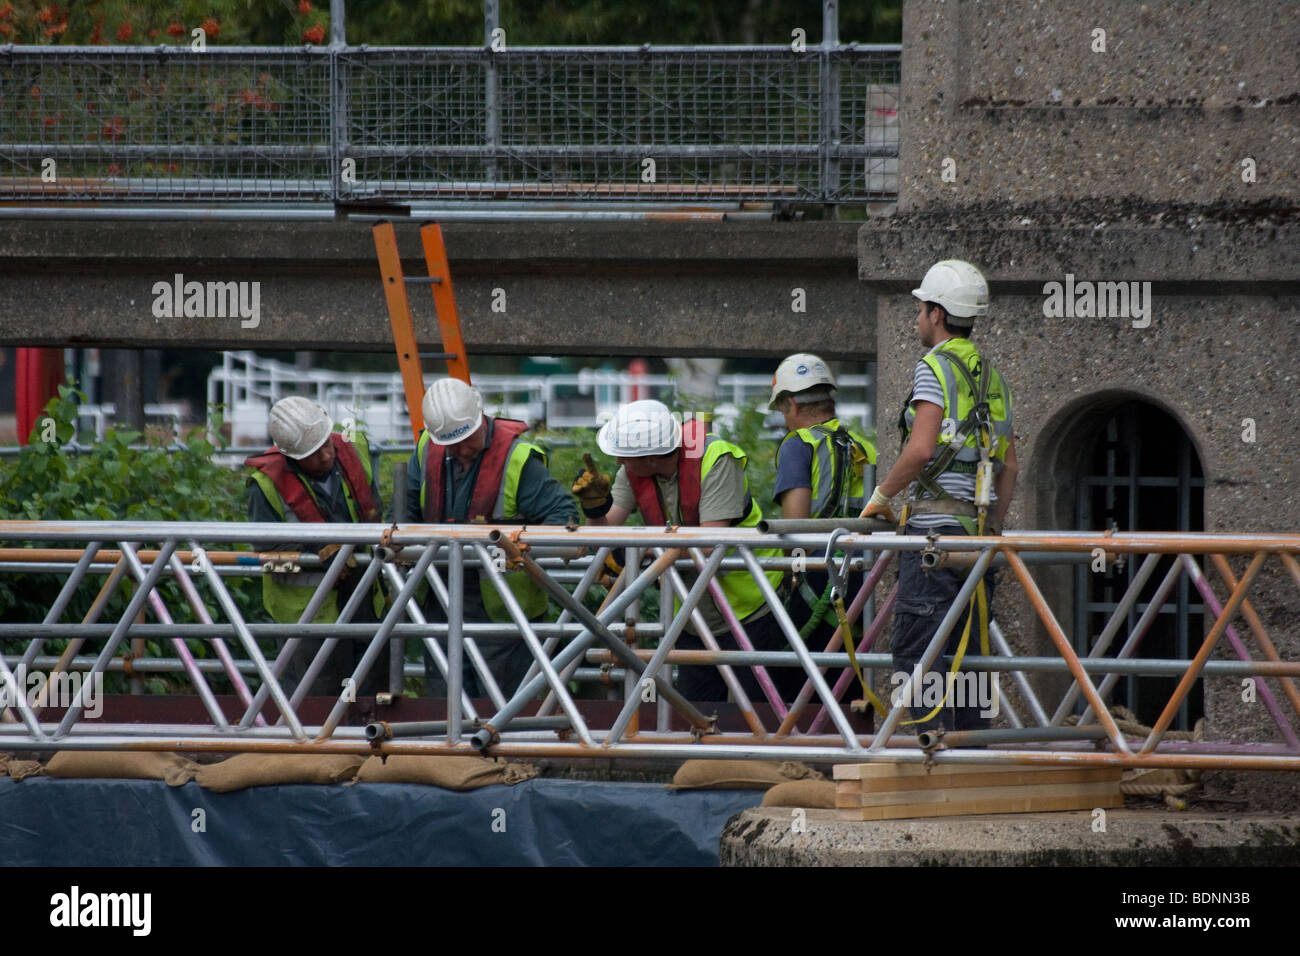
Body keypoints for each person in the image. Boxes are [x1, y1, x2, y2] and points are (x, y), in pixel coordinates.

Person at [863, 259, 1017, 734]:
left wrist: (882, 496)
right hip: (975, 538)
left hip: (932, 535)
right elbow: (1009, 466)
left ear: (936, 312)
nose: (916, 319)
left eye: (919, 309)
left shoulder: (933, 367)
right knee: (968, 653)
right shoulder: (993, 376)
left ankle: (927, 750)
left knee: (919, 648)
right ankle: (969, 756)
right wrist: (990, 528)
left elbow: (922, 448)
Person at [572, 399, 799, 703]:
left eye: (625, 457)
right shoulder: (633, 470)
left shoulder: (716, 459)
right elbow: (602, 534)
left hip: (752, 607)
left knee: (761, 712)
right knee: (695, 713)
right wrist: (594, 507)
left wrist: (641, 552)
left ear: (652, 459)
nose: (618, 464)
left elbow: (710, 542)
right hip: (693, 612)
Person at [402, 378, 577, 698]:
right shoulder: (428, 448)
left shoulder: (519, 459)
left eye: (467, 440)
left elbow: (563, 518)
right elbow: (405, 514)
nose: (461, 450)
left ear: (480, 417)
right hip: (442, 599)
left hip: (504, 610)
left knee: (503, 708)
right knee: (446, 706)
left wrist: (520, 549)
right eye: (451, 445)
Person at [245, 396, 388, 696]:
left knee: (370, 692)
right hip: (308, 616)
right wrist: (317, 556)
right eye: (314, 453)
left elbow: (376, 513)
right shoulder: (267, 485)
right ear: (291, 457)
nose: (325, 456)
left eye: (326, 444)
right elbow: (268, 554)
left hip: (364, 599)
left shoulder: (353, 453)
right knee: (314, 702)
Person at [768, 353, 877, 700]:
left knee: (791, 678)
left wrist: (787, 566)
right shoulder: (865, 448)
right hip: (866, 576)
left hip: (818, 579)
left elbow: (795, 526)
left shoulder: (798, 445)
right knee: (850, 677)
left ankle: (798, 746)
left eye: (783, 412)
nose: (785, 421)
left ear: (792, 405)